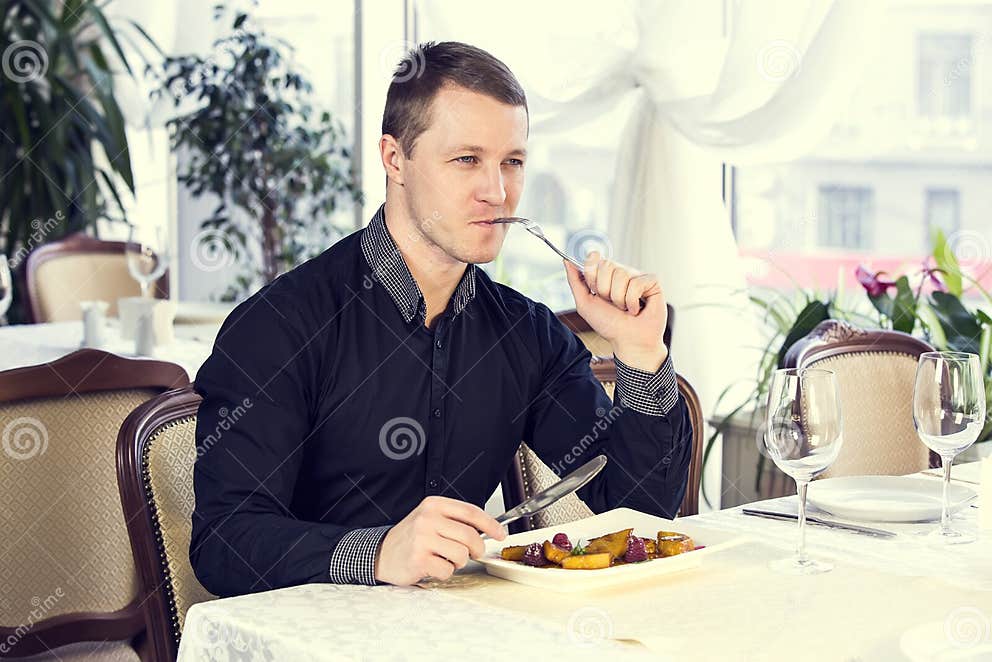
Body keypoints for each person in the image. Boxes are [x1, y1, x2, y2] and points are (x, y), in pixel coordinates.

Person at [190, 41, 692, 597]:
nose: (497, 191)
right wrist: (377, 552)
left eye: (513, 162)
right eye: (467, 159)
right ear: (394, 159)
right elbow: (224, 543)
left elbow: (641, 508)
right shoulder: (281, 325)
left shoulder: (528, 335)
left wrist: (641, 355)